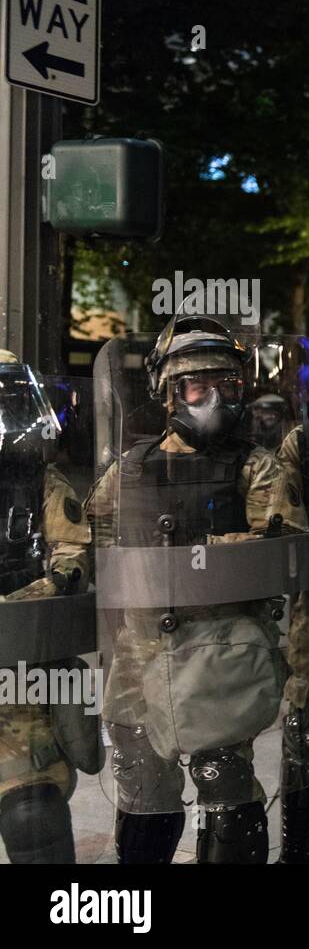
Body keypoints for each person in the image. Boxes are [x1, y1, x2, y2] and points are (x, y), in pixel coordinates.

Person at [89, 316, 309, 863]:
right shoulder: (130, 471)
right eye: (197, 386)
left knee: (224, 778)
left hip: (222, 651)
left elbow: (285, 552)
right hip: (139, 656)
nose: (213, 398)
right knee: (143, 787)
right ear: (169, 395)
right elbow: (94, 545)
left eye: (227, 385)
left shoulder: (256, 469)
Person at [0, 351, 99, 863]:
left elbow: (73, 553)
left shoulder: (40, 482)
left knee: (33, 816)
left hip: (19, 668)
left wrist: (31, 597)